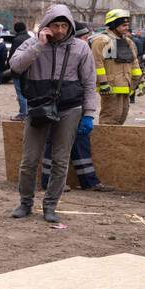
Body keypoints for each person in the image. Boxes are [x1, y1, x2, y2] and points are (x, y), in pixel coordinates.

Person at [8, 4, 100, 224]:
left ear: (69, 25)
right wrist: (39, 45)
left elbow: (89, 83)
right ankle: (25, 203)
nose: (59, 30)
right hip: (39, 107)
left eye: (63, 25)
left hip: (70, 108)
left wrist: (88, 113)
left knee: (60, 160)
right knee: (29, 160)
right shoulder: (32, 43)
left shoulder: (80, 48)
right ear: (47, 25)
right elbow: (16, 66)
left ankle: (50, 205)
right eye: (55, 25)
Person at [42, 23, 110, 193]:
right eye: (85, 37)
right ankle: (49, 182)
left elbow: (88, 83)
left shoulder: (83, 53)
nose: (88, 40)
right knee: (54, 143)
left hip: (76, 104)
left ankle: (89, 181)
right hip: (57, 105)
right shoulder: (61, 52)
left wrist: (88, 113)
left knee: (81, 141)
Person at [90, 10, 143, 126]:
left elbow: (134, 62)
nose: (126, 27)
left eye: (127, 25)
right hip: (110, 90)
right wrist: (103, 83)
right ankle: (105, 144)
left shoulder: (127, 41)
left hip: (126, 88)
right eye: (123, 25)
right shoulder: (102, 41)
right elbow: (97, 63)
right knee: (109, 121)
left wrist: (140, 81)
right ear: (113, 24)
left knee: (121, 120)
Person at [8, 21, 31, 119]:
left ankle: (23, 114)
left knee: (20, 93)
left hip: (18, 71)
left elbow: (12, 56)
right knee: (28, 92)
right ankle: (27, 112)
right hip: (29, 70)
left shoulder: (16, 39)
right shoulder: (30, 38)